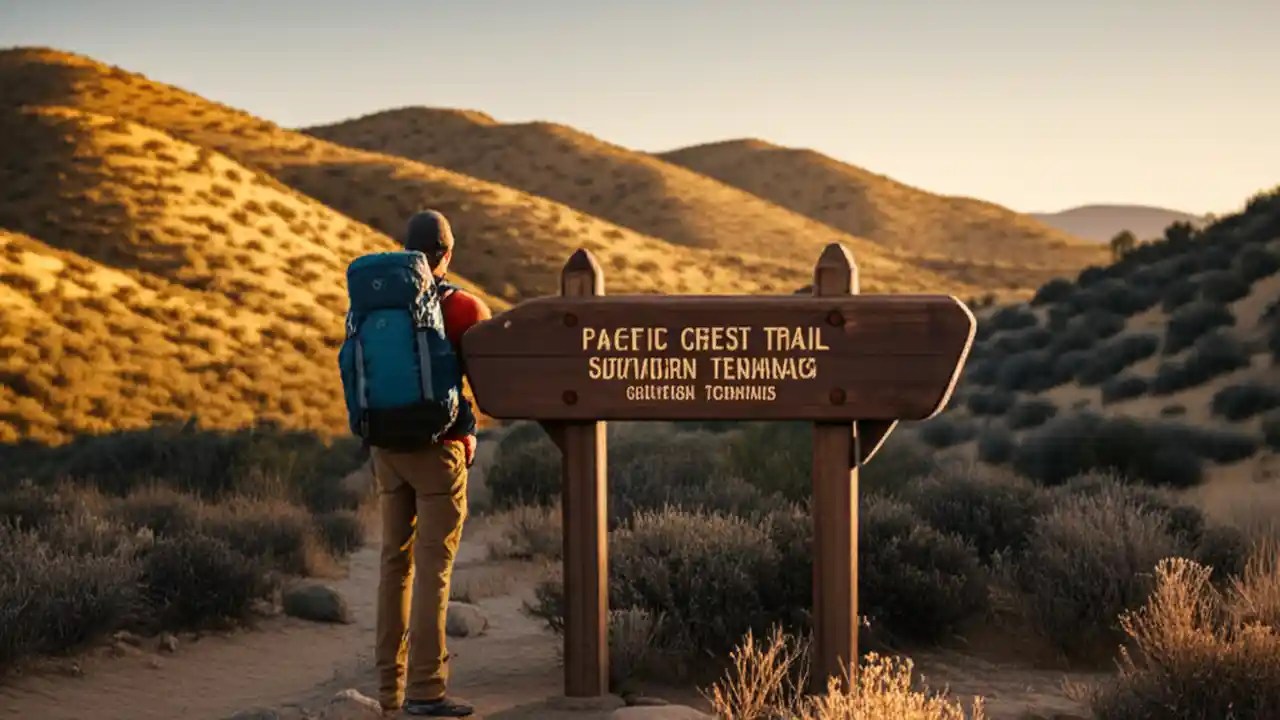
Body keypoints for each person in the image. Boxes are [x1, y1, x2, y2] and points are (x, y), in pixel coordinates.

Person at [372, 209, 491, 717]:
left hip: (385, 450)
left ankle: (386, 691)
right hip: (439, 450)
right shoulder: (464, 306)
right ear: (448, 253)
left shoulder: (377, 300)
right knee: (433, 572)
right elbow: (488, 383)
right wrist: (468, 433)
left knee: (393, 565)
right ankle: (426, 691)